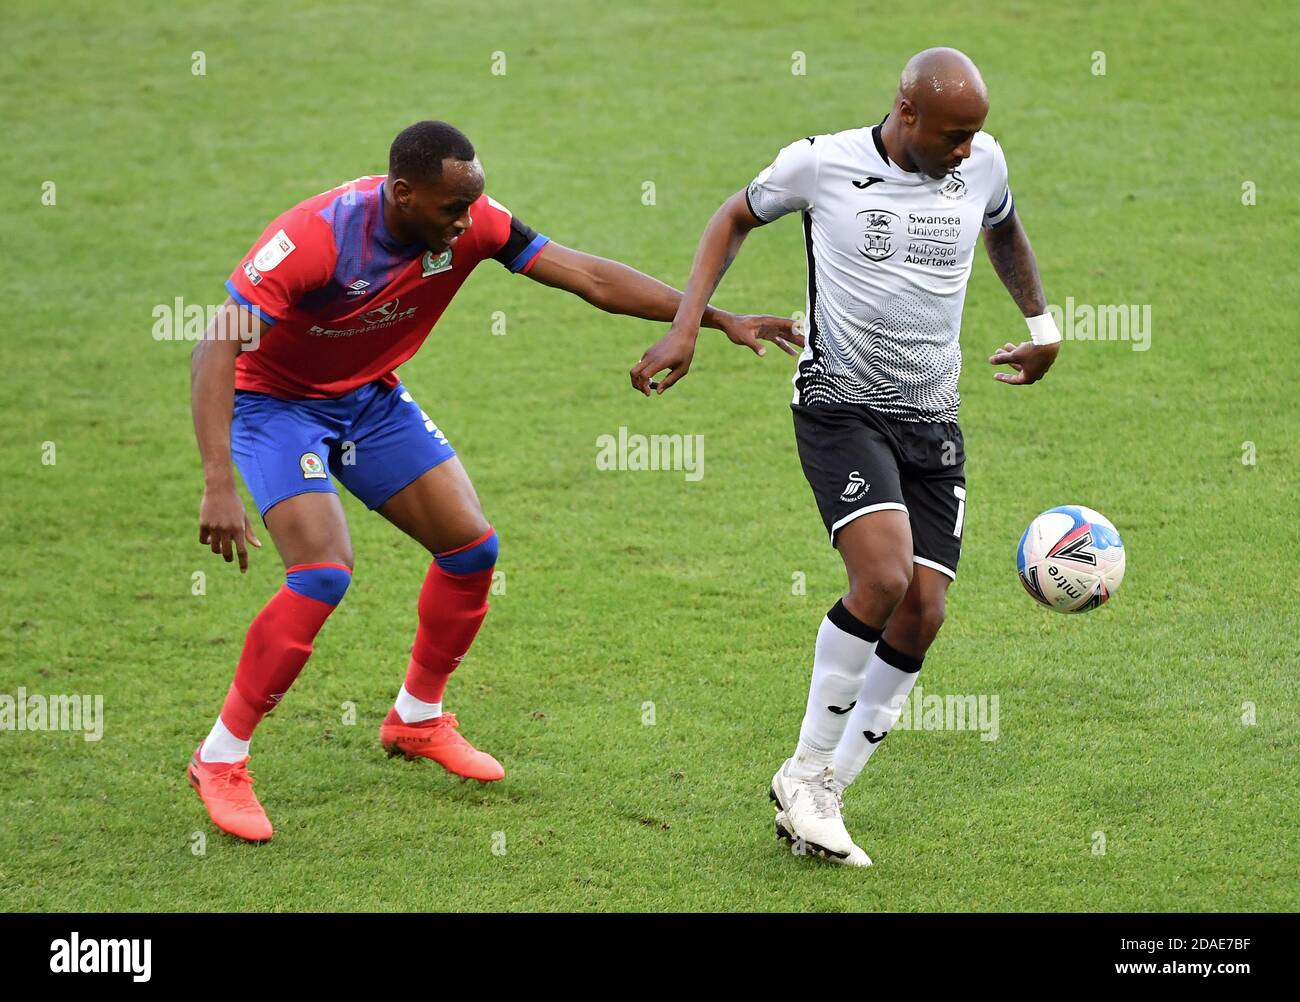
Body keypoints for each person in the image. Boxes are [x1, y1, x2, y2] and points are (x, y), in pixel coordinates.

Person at [190, 120, 799, 842]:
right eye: (451, 208)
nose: (465, 220)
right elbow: (215, 342)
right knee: (322, 572)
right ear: (403, 193)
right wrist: (218, 483)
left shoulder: (473, 223)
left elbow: (590, 277)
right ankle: (220, 758)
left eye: (470, 205)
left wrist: (710, 316)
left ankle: (416, 718)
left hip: (367, 397)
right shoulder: (317, 237)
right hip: (275, 407)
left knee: (470, 549)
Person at [630, 49, 1061, 866]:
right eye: (953, 135)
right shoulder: (822, 164)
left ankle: (820, 789)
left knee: (924, 611)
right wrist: (690, 325)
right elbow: (732, 217)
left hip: (934, 415)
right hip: (840, 405)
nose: (968, 149)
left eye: (975, 134)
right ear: (906, 113)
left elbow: (1004, 226)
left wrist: (1043, 327)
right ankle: (806, 774)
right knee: (884, 577)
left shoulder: (984, 161)